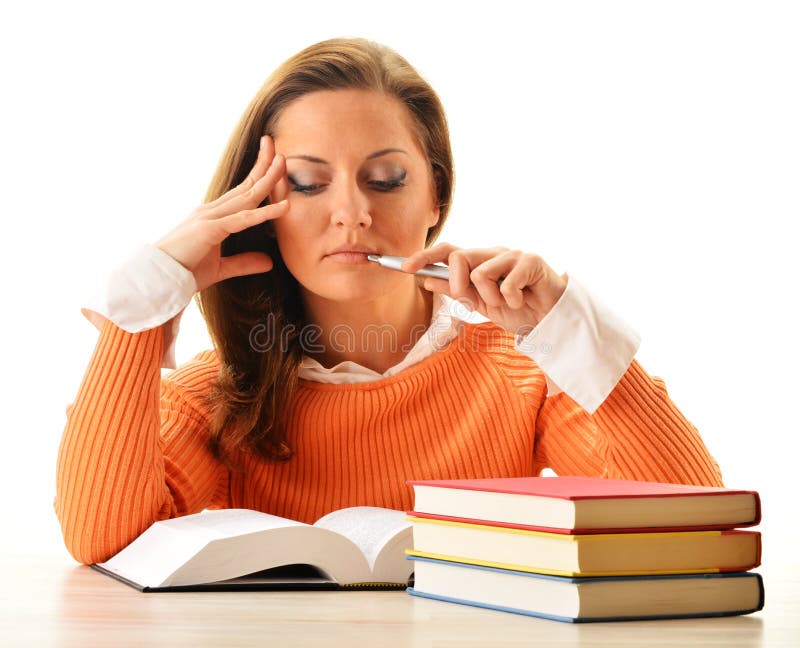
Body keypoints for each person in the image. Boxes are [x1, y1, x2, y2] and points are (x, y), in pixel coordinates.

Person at [55, 37, 723, 566]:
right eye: (310, 184)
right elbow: (100, 540)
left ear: (434, 195)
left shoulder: (528, 378)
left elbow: (701, 531)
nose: (352, 213)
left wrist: (568, 328)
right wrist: (150, 297)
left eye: (385, 179)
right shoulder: (217, 397)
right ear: (263, 212)